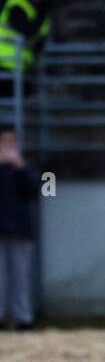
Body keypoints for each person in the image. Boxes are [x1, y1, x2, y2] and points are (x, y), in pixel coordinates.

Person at [0, 126, 39, 329]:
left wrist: (21, 168)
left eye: (11, 141)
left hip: (21, 230)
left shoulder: (28, 166)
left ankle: (23, 318)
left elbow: (42, 191)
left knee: (21, 277)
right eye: (3, 141)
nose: (7, 146)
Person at [0, 0, 51, 91]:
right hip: (5, 64)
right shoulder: (17, 4)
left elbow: (39, 38)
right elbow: (27, 32)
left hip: (20, 65)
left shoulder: (37, 6)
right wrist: (42, 13)